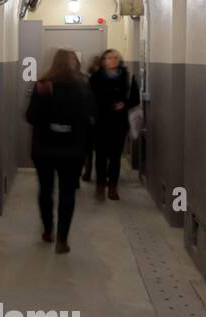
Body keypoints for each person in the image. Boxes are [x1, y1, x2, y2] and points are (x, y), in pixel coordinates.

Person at [25, 49, 93, 254]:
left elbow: (30, 117)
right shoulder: (82, 88)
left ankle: (48, 230)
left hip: (44, 148)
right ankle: (62, 239)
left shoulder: (43, 86)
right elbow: (88, 119)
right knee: (67, 192)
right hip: (71, 149)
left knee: (45, 189)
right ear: (73, 64)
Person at [88, 48, 140, 201]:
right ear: (103, 61)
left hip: (119, 122)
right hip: (101, 122)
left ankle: (113, 187)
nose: (113, 60)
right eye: (109, 57)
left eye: (116, 57)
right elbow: (90, 98)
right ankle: (100, 184)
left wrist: (124, 104)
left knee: (115, 156)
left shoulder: (126, 77)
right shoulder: (96, 77)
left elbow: (135, 98)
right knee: (101, 156)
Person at [81, 52, 102, 183]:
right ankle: (95, 173)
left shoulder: (87, 78)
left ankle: (88, 173)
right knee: (92, 148)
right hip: (95, 117)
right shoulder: (93, 79)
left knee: (89, 148)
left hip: (92, 117)